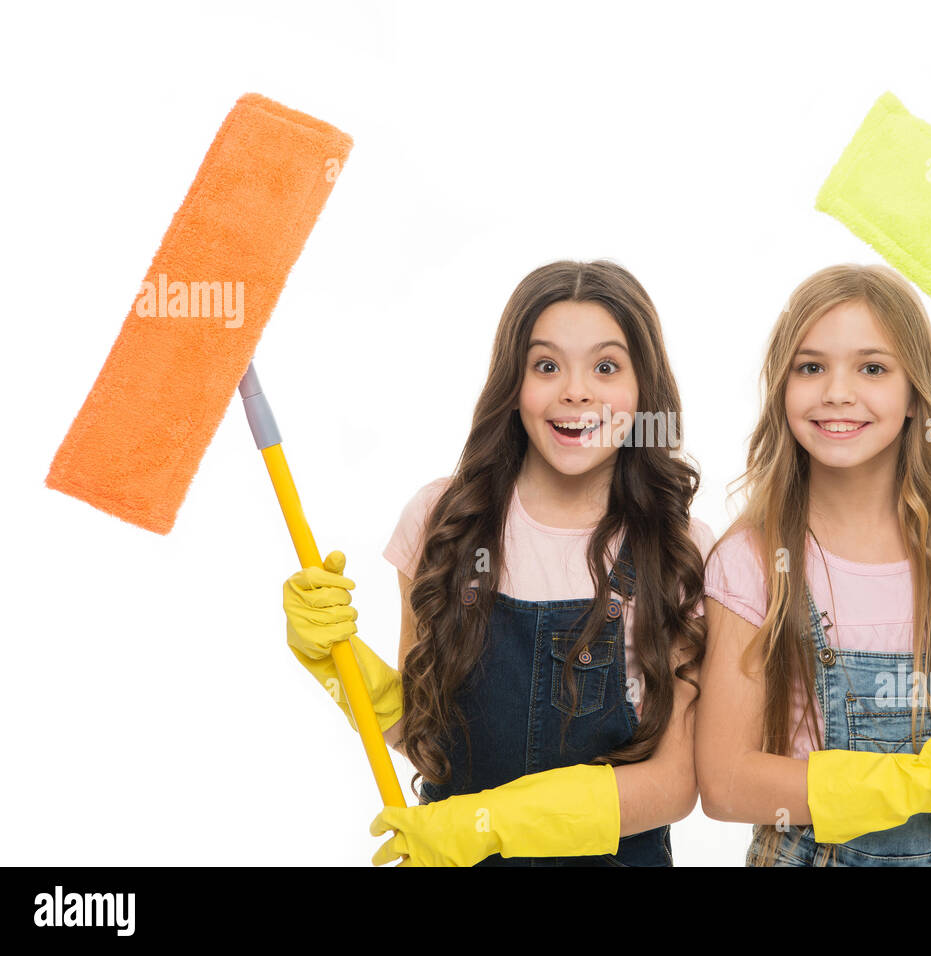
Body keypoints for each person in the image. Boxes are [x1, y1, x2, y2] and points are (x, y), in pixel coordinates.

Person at [283, 259, 714, 866]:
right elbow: (425, 733)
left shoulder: (679, 547)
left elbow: (673, 785)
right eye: (546, 365)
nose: (576, 390)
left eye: (606, 366)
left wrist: (491, 822)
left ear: (645, 390)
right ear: (513, 384)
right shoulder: (444, 520)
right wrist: (334, 661)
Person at [695, 263, 931, 866]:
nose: (837, 391)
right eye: (811, 367)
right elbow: (725, 785)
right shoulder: (755, 558)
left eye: (873, 368)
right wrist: (914, 782)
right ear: (782, 387)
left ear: (916, 396)